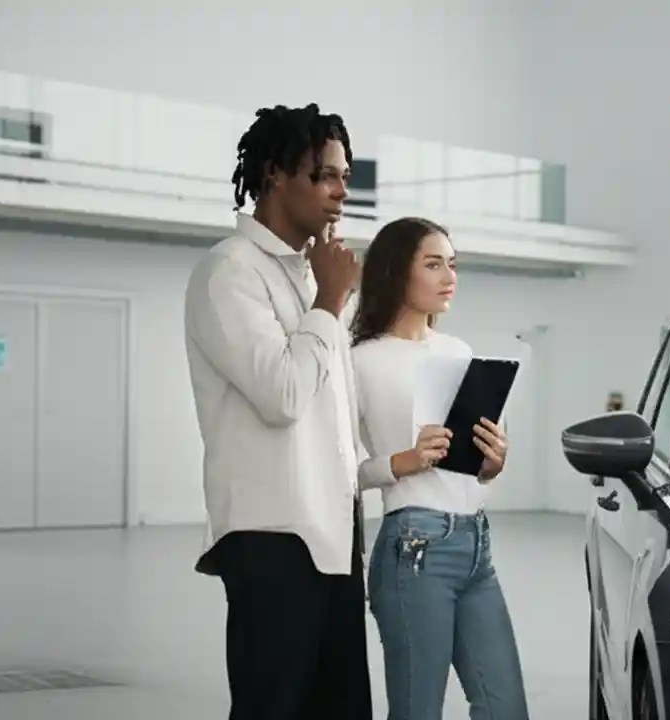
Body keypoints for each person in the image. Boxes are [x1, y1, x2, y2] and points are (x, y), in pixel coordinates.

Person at [183, 102, 372, 719]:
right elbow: (283, 395)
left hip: (334, 534)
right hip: (272, 537)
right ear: (274, 174)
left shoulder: (310, 277)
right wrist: (331, 300)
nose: (341, 191)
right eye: (325, 175)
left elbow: (335, 423)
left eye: (345, 176)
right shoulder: (228, 271)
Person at [349, 217, 530, 720]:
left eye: (452, 264)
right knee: (417, 713)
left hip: (476, 545)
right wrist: (402, 462)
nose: (449, 277)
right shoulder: (360, 361)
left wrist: (492, 462)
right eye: (433, 264)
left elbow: (476, 471)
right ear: (396, 271)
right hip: (415, 549)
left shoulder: (458, 352)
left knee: (506, 710)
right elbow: (338, 470)